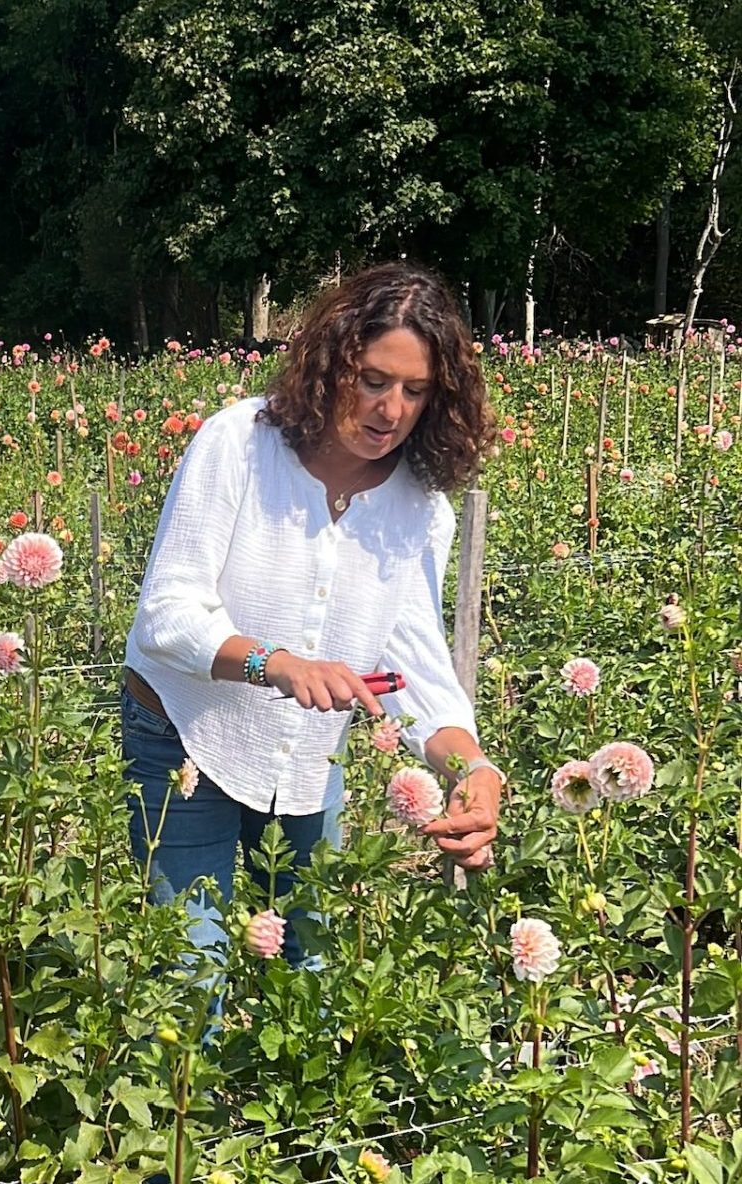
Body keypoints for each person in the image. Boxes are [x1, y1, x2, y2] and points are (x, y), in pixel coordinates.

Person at [122, 261, 503, 969]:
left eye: (415, 391)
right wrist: (276, 663)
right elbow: (165, 616)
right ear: (331, 364)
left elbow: (412, 665)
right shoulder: (238, 445)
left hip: (303, 753)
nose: (391, 409)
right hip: (184, 733)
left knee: (313, 969)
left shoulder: (421, 509)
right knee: (189, 966)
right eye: (374, 380)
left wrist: (472, 766)